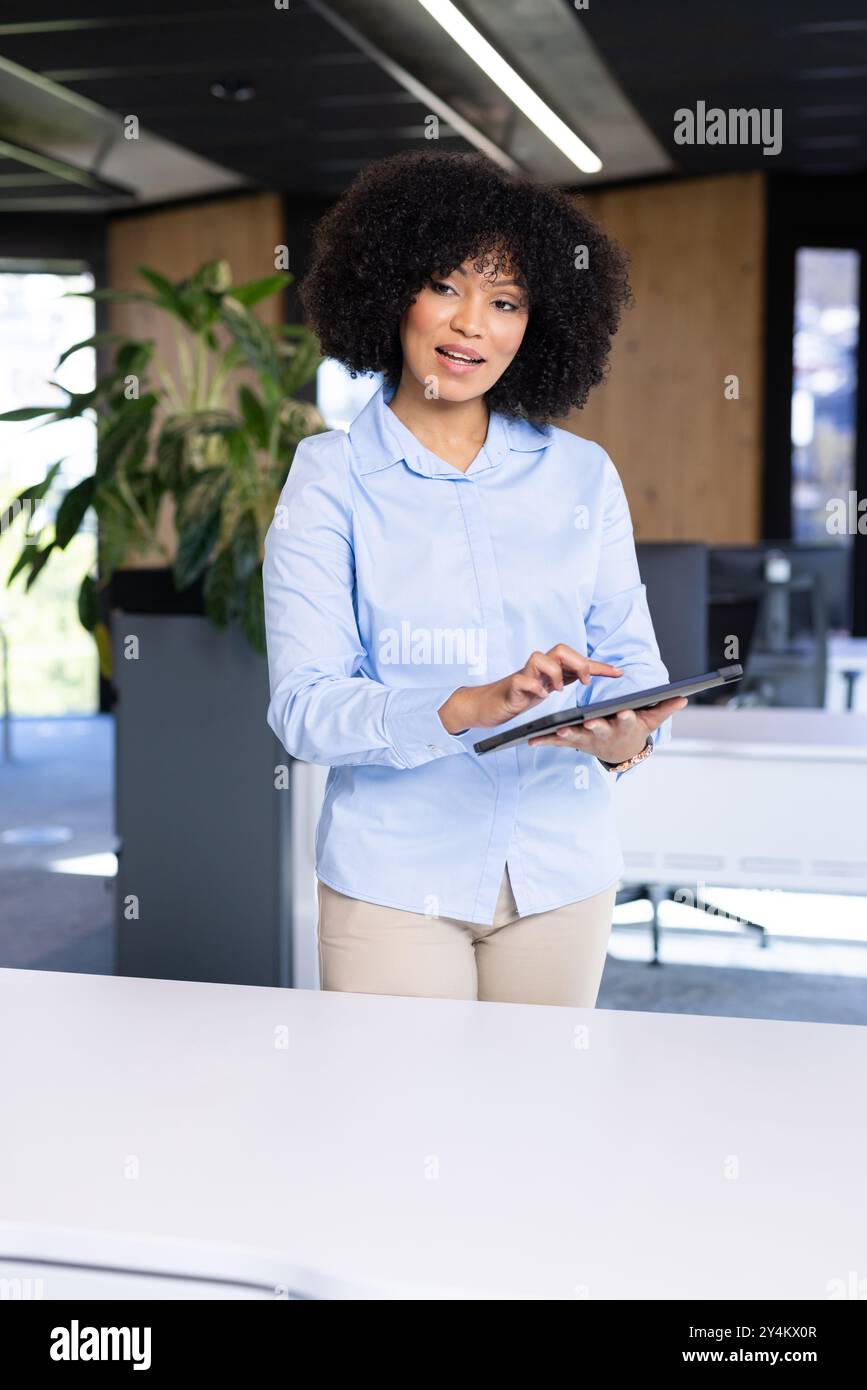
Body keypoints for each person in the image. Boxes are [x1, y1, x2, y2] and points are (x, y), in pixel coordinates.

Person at [262, 151, 686, 1008]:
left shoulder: (581, 475)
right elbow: (304, 709)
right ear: (390, 295)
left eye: (505, 303)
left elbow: (632, 666)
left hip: (561, 873)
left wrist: (626, 741)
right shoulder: (330, 477)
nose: (471, 326)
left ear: (537, 325)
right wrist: (462, 707)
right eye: (446, 287)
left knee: (536, 1130)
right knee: (398, 1127)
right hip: (395, 879)